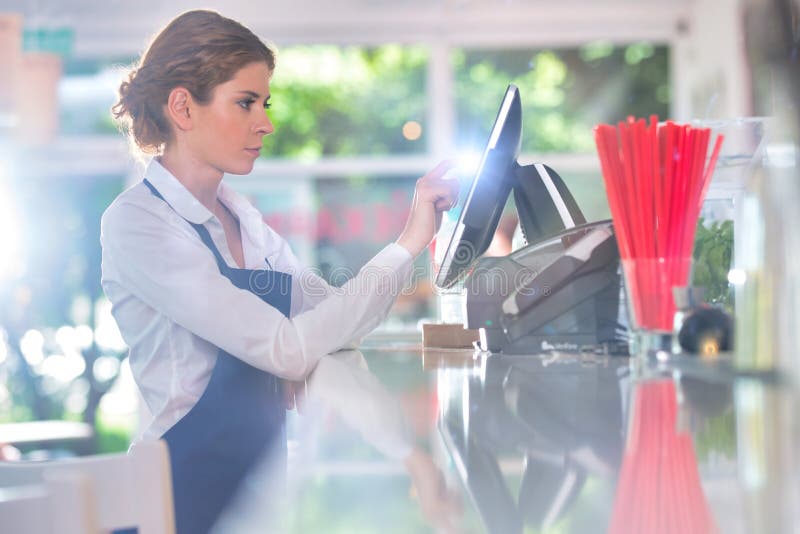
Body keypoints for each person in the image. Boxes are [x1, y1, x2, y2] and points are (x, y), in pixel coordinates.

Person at [100, 9, 460, 534]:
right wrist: (407, 242)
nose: (265, 122)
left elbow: (334, 324)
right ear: (183, 106)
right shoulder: (139, 223)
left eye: (263, 103)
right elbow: (288, 349)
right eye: (245, 102)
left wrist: (410, 456)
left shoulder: (242, 216)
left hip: (257, 484)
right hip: (176, 498)